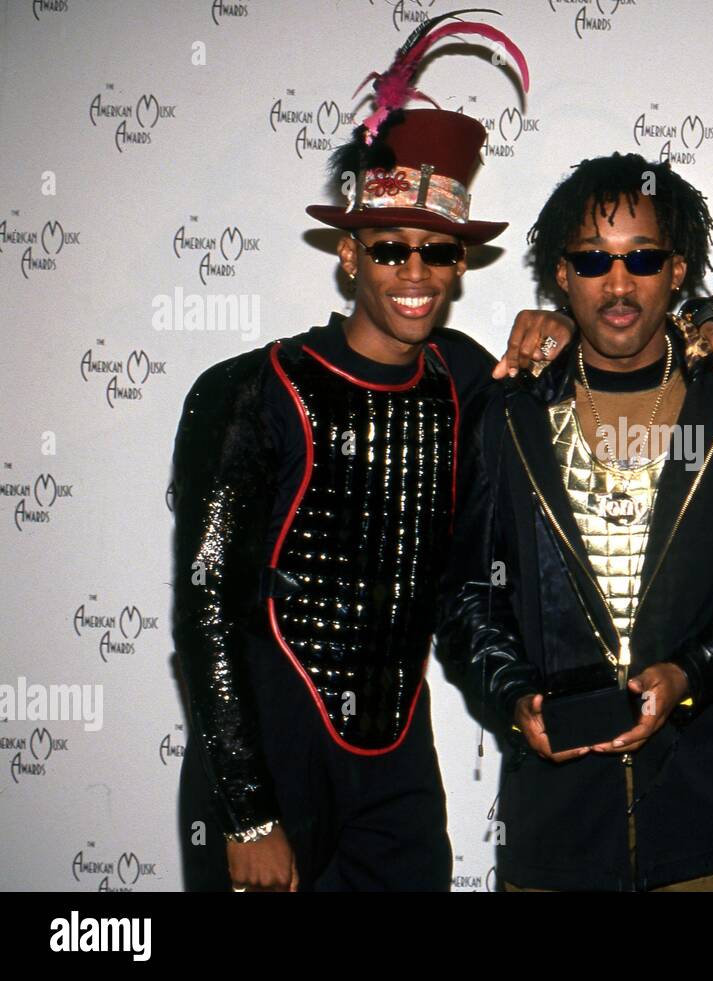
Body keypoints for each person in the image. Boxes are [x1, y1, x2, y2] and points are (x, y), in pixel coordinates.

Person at [172, 13, 532, 891]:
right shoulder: (249, 389)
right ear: (349, 255)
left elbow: (605, 361)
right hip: (269, 753)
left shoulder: (466, 379)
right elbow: (204, 603)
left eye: (438, 251)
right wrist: (248, 808)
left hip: (399, 758)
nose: (416, 272)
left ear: (459, 265)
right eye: (391, 248)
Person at [436, 152, 713, 891]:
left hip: (704, 816)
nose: (617, 283)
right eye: (592, 260)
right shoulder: (510, 411)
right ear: (560, 275)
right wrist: (515, 698)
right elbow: (466, 599)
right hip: (555, 823)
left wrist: (690, 674)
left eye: (642, 258)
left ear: (678, 272)